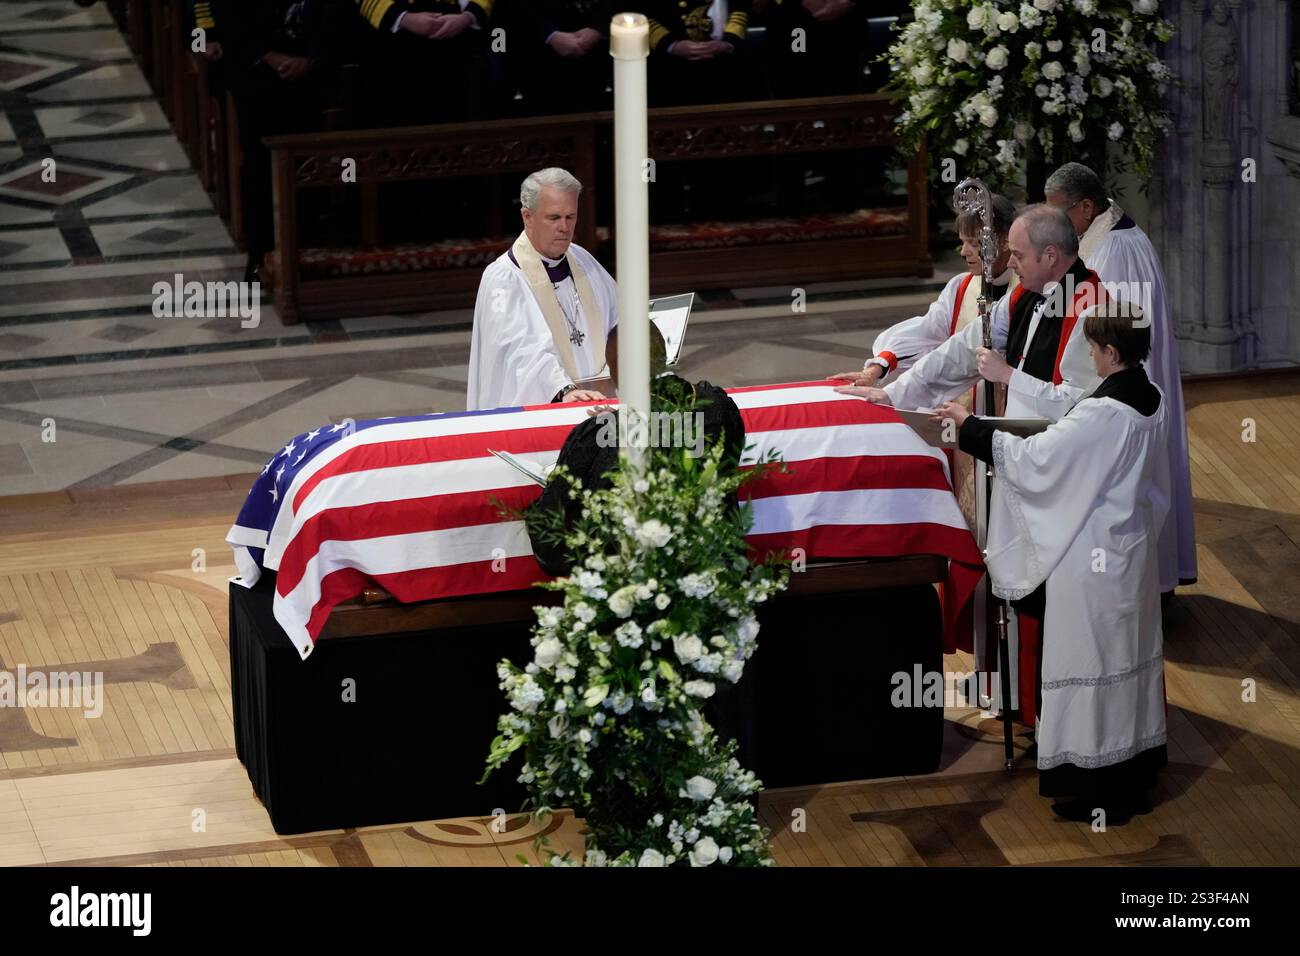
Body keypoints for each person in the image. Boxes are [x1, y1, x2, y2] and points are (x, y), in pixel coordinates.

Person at [835, 204, 1112, 727]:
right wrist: (895, 395)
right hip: (1020, 461)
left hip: (1066, 483)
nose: (1011, 263)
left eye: (1020, 255)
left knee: (1060, 609)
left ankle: (1061, 720)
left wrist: (1010, 377)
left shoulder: (1092, 306)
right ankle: (1025, 704)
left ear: (1052, 256)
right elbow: (965, 348)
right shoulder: (1028, 291)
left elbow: (1087, 407)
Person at [934, 302, 1170, 824]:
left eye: (1093, 347)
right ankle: (1130, 776)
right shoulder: (1151, 397)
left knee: (1087, 663)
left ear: (1110, 352)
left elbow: (1040, 460)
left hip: (1090, 564)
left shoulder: (1103, 412)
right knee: (1124, 662)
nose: (1088, 354)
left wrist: (968, 425)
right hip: (1128, 554)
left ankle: (1095, 787)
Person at [1045, 161, 1197, 595]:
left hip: (1130, 400)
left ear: (1087, 207)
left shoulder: (1117, 251)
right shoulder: (1105, 236)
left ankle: (1150, 582)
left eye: (1061, 212)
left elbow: (1118, 339)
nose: (1055, 222)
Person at [526, 322, 744, 576]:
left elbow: (550, 546)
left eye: (612, 366)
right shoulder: (720, 409)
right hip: (719, 575)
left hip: (629, 590)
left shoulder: (598, 438)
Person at [467, 167, 616, 410]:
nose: (565, 227)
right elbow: (518, 352)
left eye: (571, 217)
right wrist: (564, 390)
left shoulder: (584, 262)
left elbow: (619, 322)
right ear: (527, 217)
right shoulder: (504, 278)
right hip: (549, 410)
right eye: (554, 218)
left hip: (599, 405)